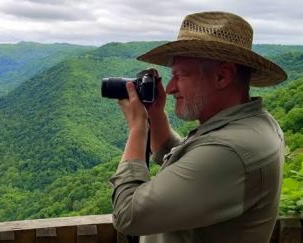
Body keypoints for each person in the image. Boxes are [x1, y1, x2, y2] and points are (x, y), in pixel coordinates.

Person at [109, 11, 287, 243]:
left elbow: (127, 215)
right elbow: (189, 161)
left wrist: (137, 128)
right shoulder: (252, 125)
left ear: (222, 76)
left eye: (181, 75)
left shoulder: (232, 151)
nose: (171, 88)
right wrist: (155, 115)